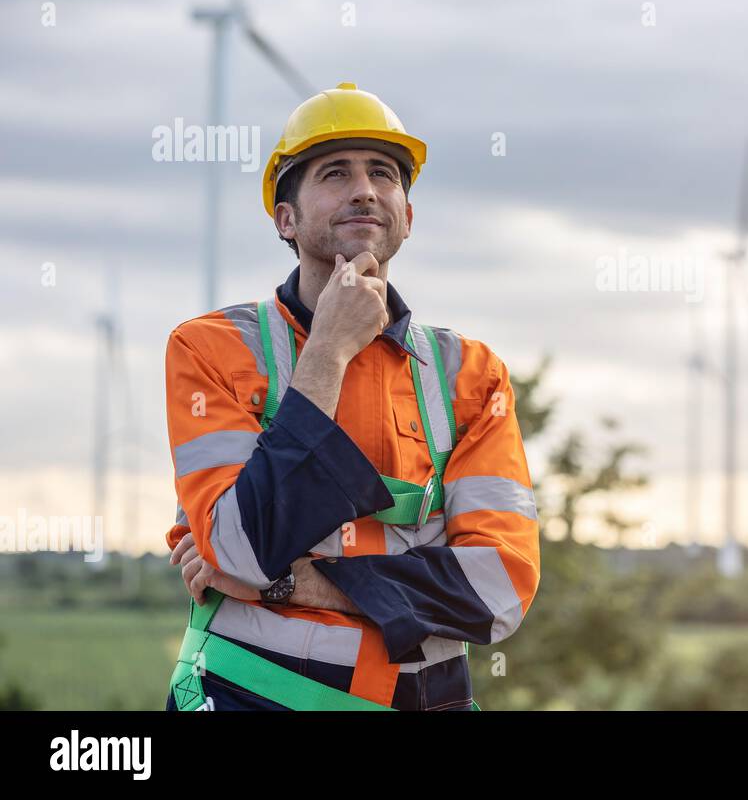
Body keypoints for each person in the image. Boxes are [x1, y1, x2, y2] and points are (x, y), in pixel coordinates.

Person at [163, 82, 540, 710]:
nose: (365, 189)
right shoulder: (210, 350)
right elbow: (242, 547)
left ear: (408, 217)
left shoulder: (471, 374)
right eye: (335, 173)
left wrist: (292, 583)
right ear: (285, 217)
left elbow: (500, 589)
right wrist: (328, 353)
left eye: (384, 174)